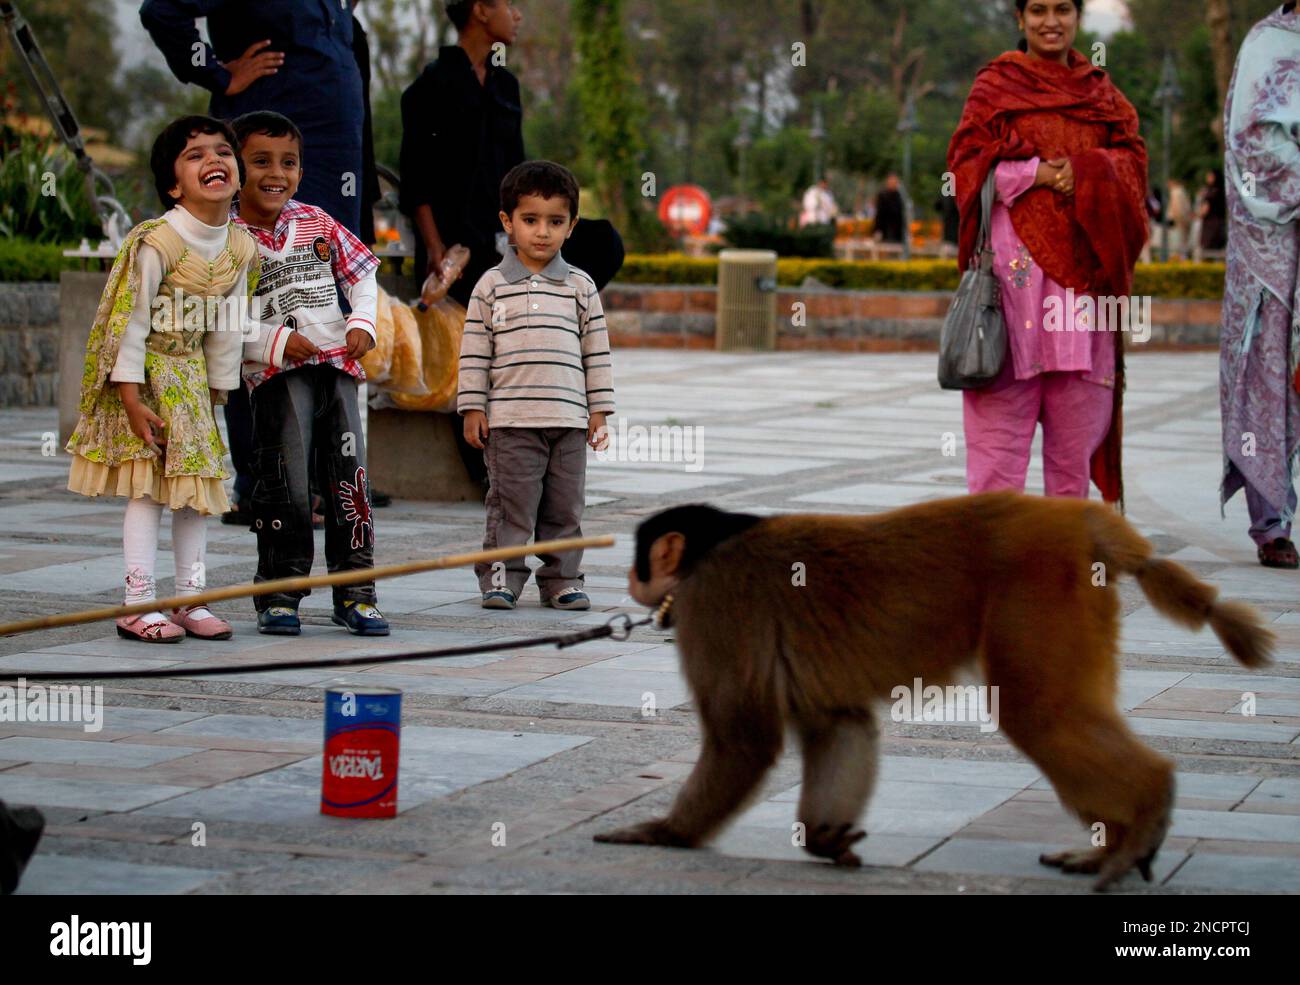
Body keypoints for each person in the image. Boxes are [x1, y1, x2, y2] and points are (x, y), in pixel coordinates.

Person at [65, 116, 258, 643]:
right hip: (146, 380)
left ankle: (188, 602)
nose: (213, 161)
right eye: (195, 156)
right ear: (174, 185)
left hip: (191, 383)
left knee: (195, 492)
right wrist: (130, 397)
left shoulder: (241, 248)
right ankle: (137, 603)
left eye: (223, 152)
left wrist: (218, 394)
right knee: (148, 492)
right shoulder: (158, 243)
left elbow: (229, 327)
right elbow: (128, 321)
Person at [947, 0, 1147, 503]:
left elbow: (1134, 167)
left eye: (1062, 9)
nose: (1050, 21)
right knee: (996, 450)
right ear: (1019, 18)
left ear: (1079, 16)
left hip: (1081, 296)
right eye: (1038, 10)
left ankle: (1065, 569)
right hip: (1010, 297)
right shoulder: (995, 88)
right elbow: (966, 169)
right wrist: (1036, 172)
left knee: (1072, 455)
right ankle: (993, 567)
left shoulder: (1101, 94)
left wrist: (1089, 169)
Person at [232, 112, 390, 634]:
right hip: (276, 380)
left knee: (350, 482)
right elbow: (221, 317)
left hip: (338, 369)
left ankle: (357, 593)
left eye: (289, 162)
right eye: (260, 161)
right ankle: (279, 594)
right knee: (285, 486)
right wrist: (275, 342)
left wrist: (362, 321)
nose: (276, 173)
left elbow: (364, 273)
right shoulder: (229, 239)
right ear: (236, 166)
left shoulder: (318, 222)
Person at [457, 161, 615, 610]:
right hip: (510, 424)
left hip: (568, 423)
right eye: (530, 220)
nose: (542, 232)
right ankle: (501, 579)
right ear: (508, 222)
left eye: (555, 222)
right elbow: (474, 352)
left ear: (572, 226)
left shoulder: (581, 287)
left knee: (565, 510)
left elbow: (596, 354)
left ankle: (562, 580)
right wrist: (472, 407)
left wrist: (599, 413)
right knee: (512, 507)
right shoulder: (490, 287)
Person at [1219, 5, 1300, 570]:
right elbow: (1249, 143)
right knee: (1269, 368)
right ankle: (1270, 521)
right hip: (1276, 239)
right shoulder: (1267, 43)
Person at [1197, 168, 1228, 257]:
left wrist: (1197, 215)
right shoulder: (1221, 190)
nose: (1208, 178)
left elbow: (1205, 208)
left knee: (1208, 250)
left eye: (1210, 176)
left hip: (1210, 224)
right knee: (1217, 249)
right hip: (1220, 223)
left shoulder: (1211, 192)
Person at [873, 173, 906, 243]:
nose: (893, 184)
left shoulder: (900, 196)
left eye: (895, 182)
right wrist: (877, 230)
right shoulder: (882, 195)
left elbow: (902, 215)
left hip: (898, 232)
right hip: (885, 230)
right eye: (891, 181)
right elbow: (879, 214)